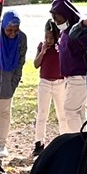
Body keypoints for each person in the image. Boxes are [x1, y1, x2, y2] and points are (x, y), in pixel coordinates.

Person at [48, 0, 87, 134]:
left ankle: (76, 141)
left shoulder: (79, 31)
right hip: (70, 77)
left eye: (58, 18)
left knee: (70, 110)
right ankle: (83, 138)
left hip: (79, 76)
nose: (56, 22)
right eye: (54, 19)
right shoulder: (65, 31)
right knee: (78, 110)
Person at [31, 18, 67, 154]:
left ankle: (64, 138)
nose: (48, 40)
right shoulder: (42, 46)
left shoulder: (61, 47)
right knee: (42, 113)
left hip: (59, 83)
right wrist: (43, 51)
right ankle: (39, 142)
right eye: (46, 37)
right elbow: (36, 64)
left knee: (62, 113)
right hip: (45, 83)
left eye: (51, 37)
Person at [0, 11, 25, 146]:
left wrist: (14, 83)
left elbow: (20, 62)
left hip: (8, 81)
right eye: (9, 30)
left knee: (5, 112)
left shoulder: (21, 38)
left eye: (16, 30)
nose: (13, 33)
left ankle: (2, 143)